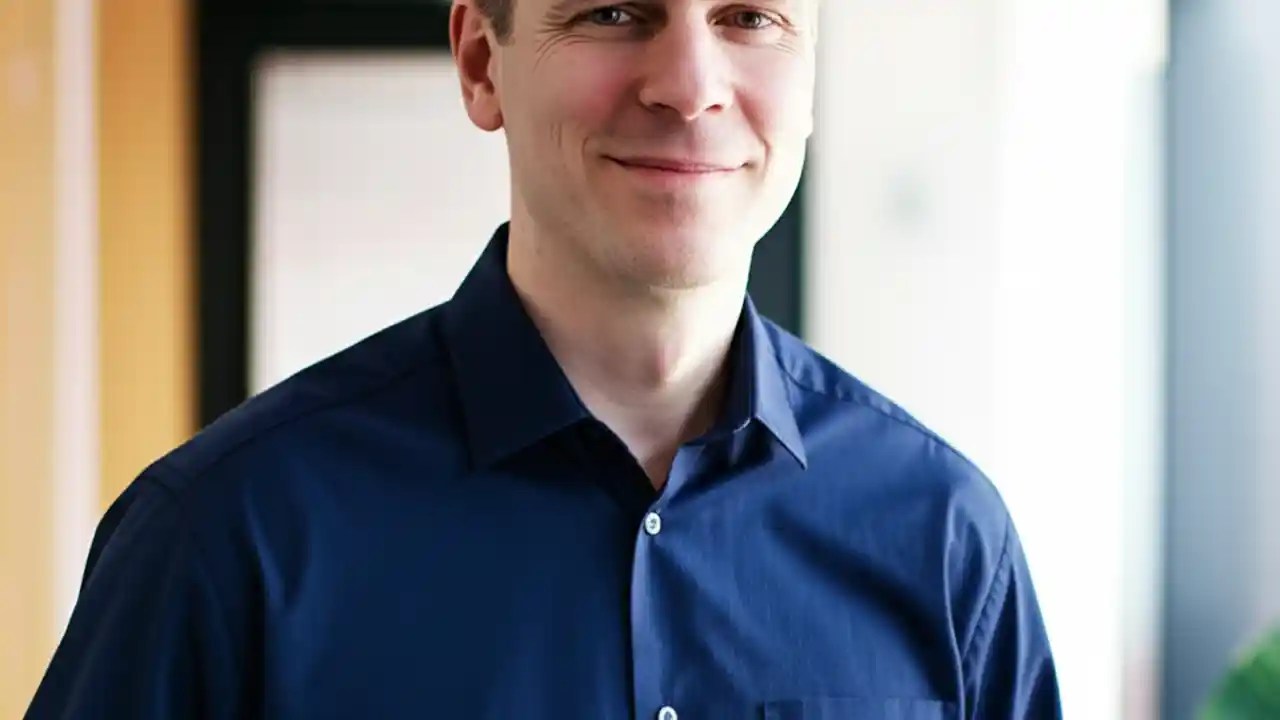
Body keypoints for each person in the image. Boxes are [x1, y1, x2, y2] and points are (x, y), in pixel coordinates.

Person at [27, 0, 1061, 717]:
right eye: (615, 12)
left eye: (750, 18)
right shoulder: (226, 537)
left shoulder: (942, 540)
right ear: (481, 62)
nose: (690, 85)